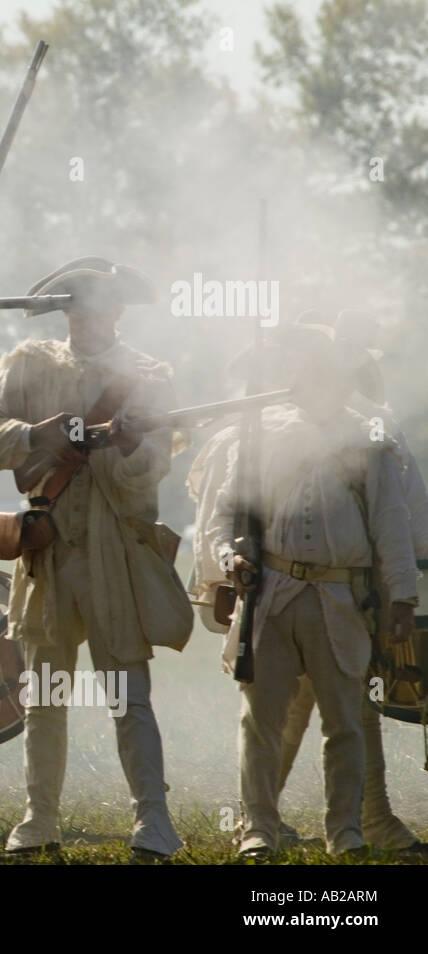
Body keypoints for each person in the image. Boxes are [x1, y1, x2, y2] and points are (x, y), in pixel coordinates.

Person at [0, 257, 187, 861]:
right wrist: (37, 436)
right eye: (80, 303)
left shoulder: (146, 377)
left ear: (118, 310)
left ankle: (153, 819)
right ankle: (40, 818)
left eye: (102, 303)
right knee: (44, 691)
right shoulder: (31, 365)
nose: (90, 314)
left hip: (113, 546)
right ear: (66, 310)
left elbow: (154, 470)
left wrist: (131, 442)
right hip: (49, 545)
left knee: (126, 692)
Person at [210, 321, 420, 859]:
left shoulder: (369, 437)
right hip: (272, 594)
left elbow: (391, 525)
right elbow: (228, 514)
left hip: (341, 599)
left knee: (346, 723)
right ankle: (257, 829)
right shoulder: (261, 434)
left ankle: (346, 833)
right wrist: (229, 557)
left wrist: (400, 599)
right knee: (261, 722)